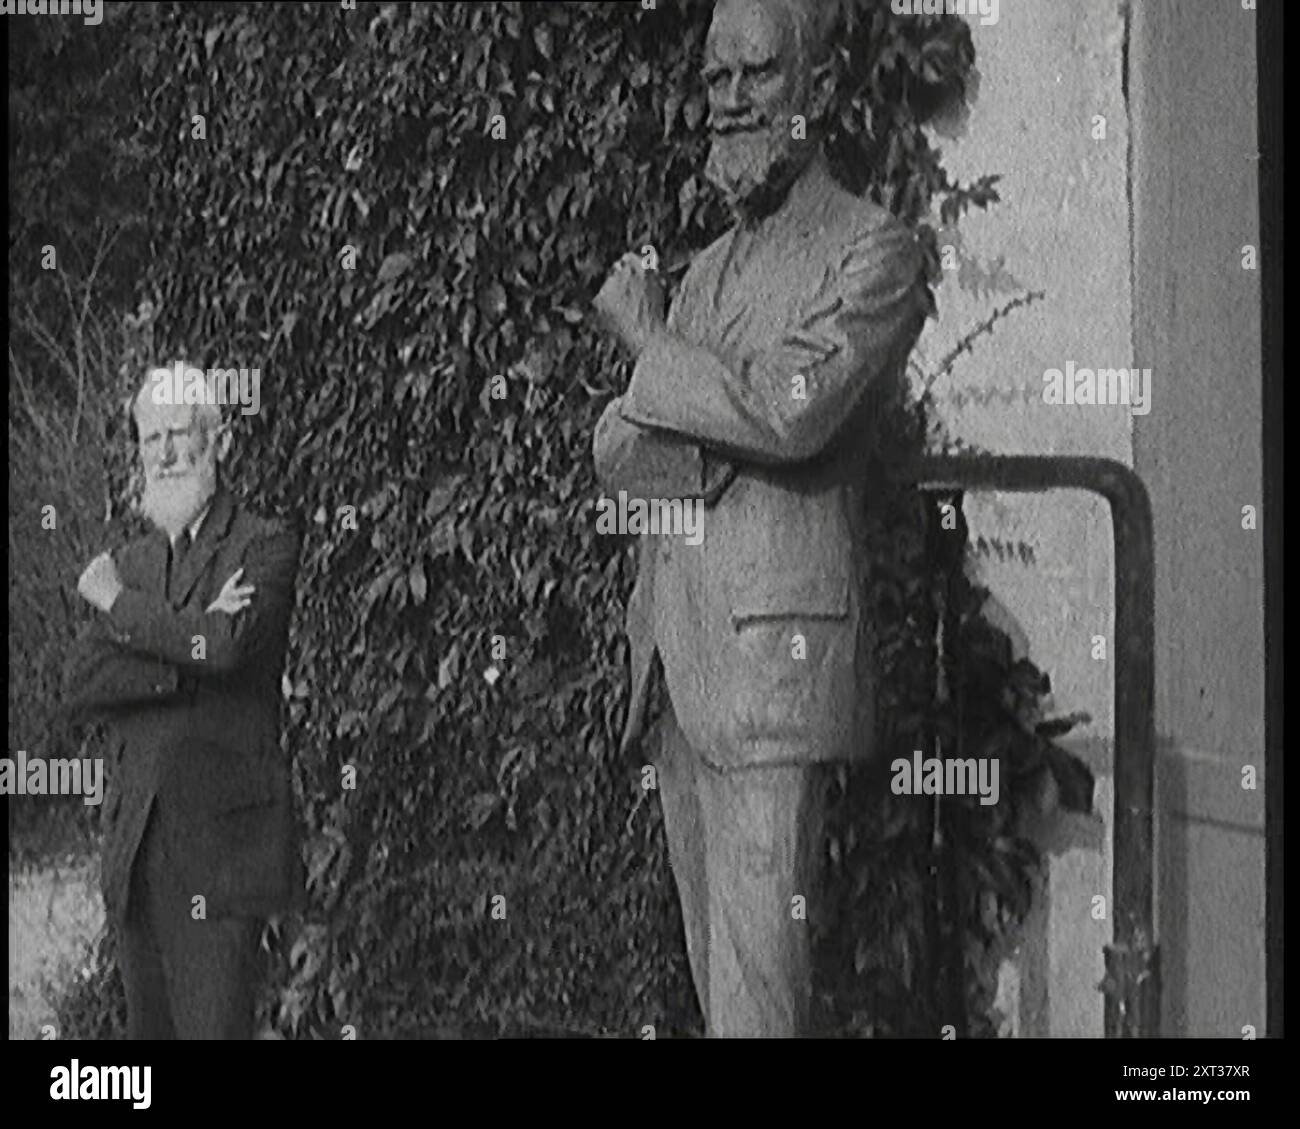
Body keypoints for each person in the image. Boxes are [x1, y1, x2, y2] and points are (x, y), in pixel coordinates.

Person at [591, 0, 932, 1036]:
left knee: (761, 1007)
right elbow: (618, 456)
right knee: (722, 994)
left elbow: (795, 410)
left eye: (756, 76)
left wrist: (655, 359)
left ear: (819, 92)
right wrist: (702, 403)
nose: (729, 102)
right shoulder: (702, 273)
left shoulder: (873, 254)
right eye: (714, 82)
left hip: (774, 671)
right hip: (681, 667)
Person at [63, 364, 303, 1039]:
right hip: (137, 852)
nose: (164, 454)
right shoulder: (132, 561)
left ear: (217, 442)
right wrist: (190, 636)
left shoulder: (263, 543)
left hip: (222, 858)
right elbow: (82, 680)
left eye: (179, 434)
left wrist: (122, 612)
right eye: (150, 439)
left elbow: (228, 649)